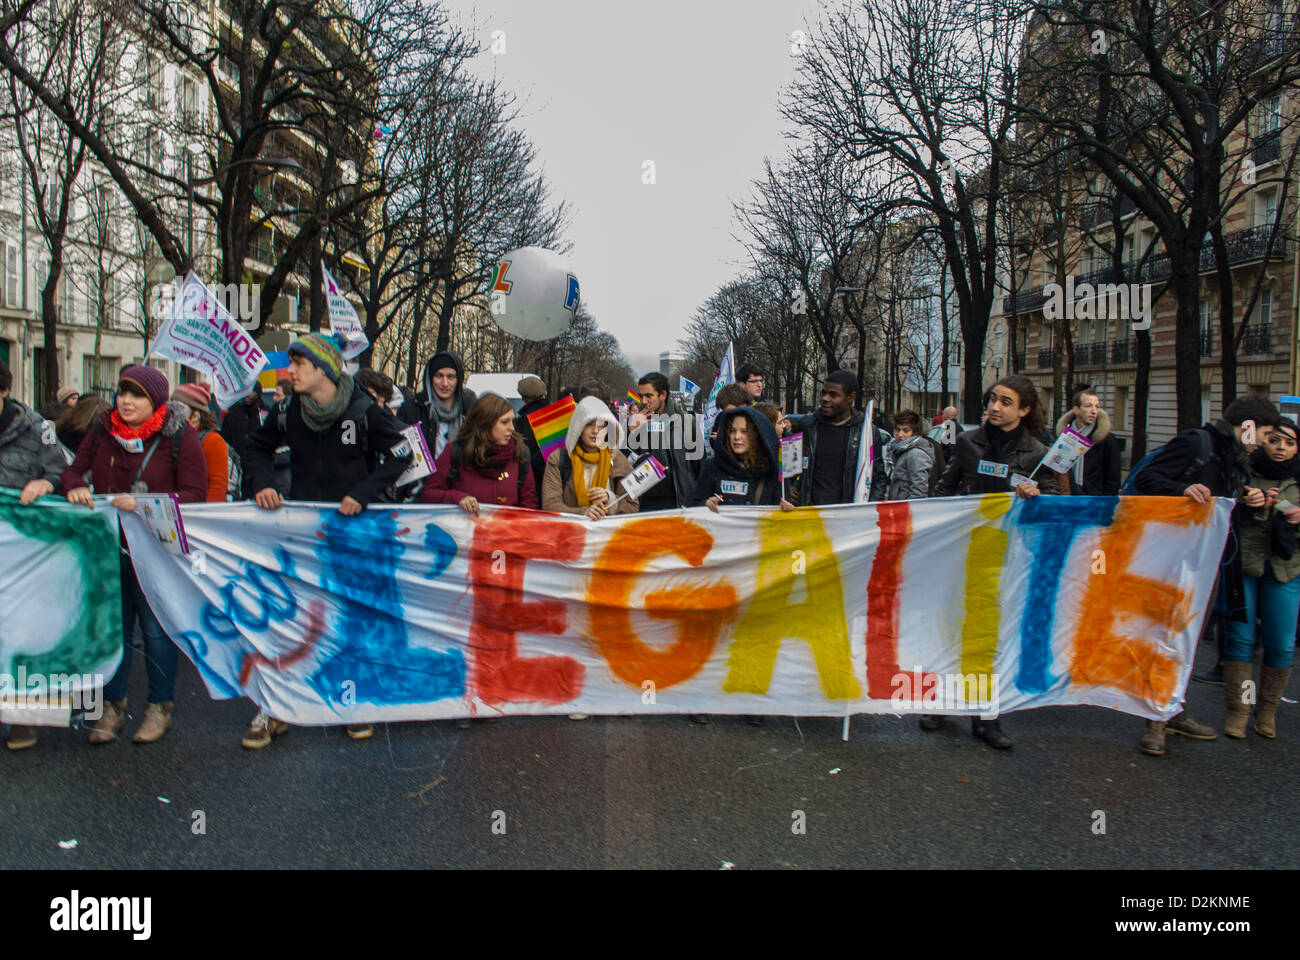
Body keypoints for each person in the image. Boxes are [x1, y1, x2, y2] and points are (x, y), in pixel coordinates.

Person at [242, 333, 414, 747]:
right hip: (302, 536)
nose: (289, 372)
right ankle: (274, 708)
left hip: (351, 536)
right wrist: (264, 483)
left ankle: (350, 703)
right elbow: (254, 449)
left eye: (298, 364)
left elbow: (404, 452)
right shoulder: (288, 411)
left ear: (323, 369)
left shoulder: (363, 411)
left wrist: (364, 492)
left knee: (347, 620)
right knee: (291, 619)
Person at [61, 364, 208, 745]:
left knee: (156, 631)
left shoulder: (180, 436)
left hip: (156, 551)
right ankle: (112, 708)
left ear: (156, 400)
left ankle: (159, 707)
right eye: (122, 392)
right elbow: (73, 471)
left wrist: (144, 504)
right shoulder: (102, 429)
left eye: (137, 394)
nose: (125, 401)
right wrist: (76, 486)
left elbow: (195, 495)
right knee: (115, 629)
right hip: (109, 546)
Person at [1131, 393, 1280, 756]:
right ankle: (1156, 722)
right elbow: (1147, 478)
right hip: (1172, 558)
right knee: (1167, 635)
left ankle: (1174, 708)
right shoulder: (1196, 442)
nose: (1266, 442)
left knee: (1188, 639)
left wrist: (1247, 501)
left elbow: (1222, 510)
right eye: (1265, 434)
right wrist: (1182, 489)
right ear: (1247, 426)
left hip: (1206, 561)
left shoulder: (1237, 458)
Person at [928, 375, 1060, 749]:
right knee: (953, 628)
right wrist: (933, 525)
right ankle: (941, 703)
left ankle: (986, 716)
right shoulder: (969, 442)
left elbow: (1052, 498)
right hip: (964, 549)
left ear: (1024, 410)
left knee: (992, 637)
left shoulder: (1037, 453)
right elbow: (946, 486)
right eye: (992, 400)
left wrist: (1036, 493)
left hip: (1006, 559)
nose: (995, 407)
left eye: (1005, 401)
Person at [0, 365, 79, 752]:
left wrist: (46, 483)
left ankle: (24, 720)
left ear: (3, 392)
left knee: (23, 631)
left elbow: (68, 472)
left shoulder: (38, 428)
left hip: (24, 551)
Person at [1223, 416, 1300, 739]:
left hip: (1286, 569)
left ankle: (1266, 711)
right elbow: (1220, 513)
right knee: (1241, 641)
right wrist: (1243, 503)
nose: (1281, 448)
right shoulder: (1244, 471)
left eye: (1290, 442)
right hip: (1245, 567)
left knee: (1281, 644)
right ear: (1264, 440)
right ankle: (1241, 708)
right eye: (1275, 440)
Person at [420, 392, 540, 514]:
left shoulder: (520, 453)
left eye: (512, 421)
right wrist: (457, 498)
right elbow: (428, 494)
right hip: (463, 530)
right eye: (504, 422)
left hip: (506, 531)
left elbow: (529, 502)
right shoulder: (456, 451)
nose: (512, 428)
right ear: (485, 423)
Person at [541, 395, 638, 520]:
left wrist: (610, 499)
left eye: (601, 425)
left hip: (610, 536)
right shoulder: (558, 459)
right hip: (570, 535)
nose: (595, 430)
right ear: (579, 428)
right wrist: (583, 513)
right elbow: (550, 505)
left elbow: (633, 507)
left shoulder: (619, 461)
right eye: (589, 424)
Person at [689, 406, 794, 511]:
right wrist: (705, 504)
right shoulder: (712, 467)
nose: (737, 436)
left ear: (757, 434)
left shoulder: (774, 470)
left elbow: (784, 512)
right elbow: (693, 507)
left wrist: (787, 511)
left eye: (744, 431)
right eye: (732, 431)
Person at [789, 371, 867, 507]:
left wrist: (869, 511)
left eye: (833, 395)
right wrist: (787, 488)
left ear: (851, 397)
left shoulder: (865, 432)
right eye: (823, 393)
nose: (825, 398)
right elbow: (787, 464)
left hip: (848, 517)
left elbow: (877, 477)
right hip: (809, 514)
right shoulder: (805, 426)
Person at [627, 372, 701, 511]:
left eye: (648, 396)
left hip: (677, 504)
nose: (643, 401)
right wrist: (631, 432)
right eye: (641, 396)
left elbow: (698, 468)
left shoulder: (687, 423)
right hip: (644, 504)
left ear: (663, 395)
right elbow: (624, 463)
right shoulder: (637, 422)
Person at [397, 349, 476, 459]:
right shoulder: (412, 409)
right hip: (424, 476)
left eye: (451, 377)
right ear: (430, 378)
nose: (445, 383)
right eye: (439, 376)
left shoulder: (472, 409)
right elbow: (399, 449)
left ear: (459, 379)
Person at [1054, 387, 1121, 496]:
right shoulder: (1064, 437)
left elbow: (1113, 480)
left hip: (1094, 502)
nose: (1094, 411)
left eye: (1097, 407)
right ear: (1076, 410)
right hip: (1065, 500)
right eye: (1088, 406)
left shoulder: (1107, 440)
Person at [171, 382, 231, 503]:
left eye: (180, 408)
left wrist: (204, 514)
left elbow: (218, 485)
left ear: (196, 414)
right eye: (172, 406)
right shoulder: (171, 434)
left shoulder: (212, 440)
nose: (174, 412)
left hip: (197, 512)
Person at [220, 383, 269, 498]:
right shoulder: (233, 414)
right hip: (237, 471)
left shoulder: (266, 413)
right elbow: (225, 441)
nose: (246, 395)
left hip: (259, 471)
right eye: (244, 391)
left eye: (250, 391)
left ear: (258, 393)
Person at [884, 410, 935, 501]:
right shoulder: (897, 449)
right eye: (898, 429)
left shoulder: (916, 454)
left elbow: (919, 492)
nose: (900, 434)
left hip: (905, 509)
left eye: (905, 431)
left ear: (915, 432)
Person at [515, 375, 549, 491]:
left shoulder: (520, 423)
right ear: (543, 395)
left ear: (523, 398)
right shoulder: (558, 415)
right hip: (555, 478)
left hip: (531, 480)